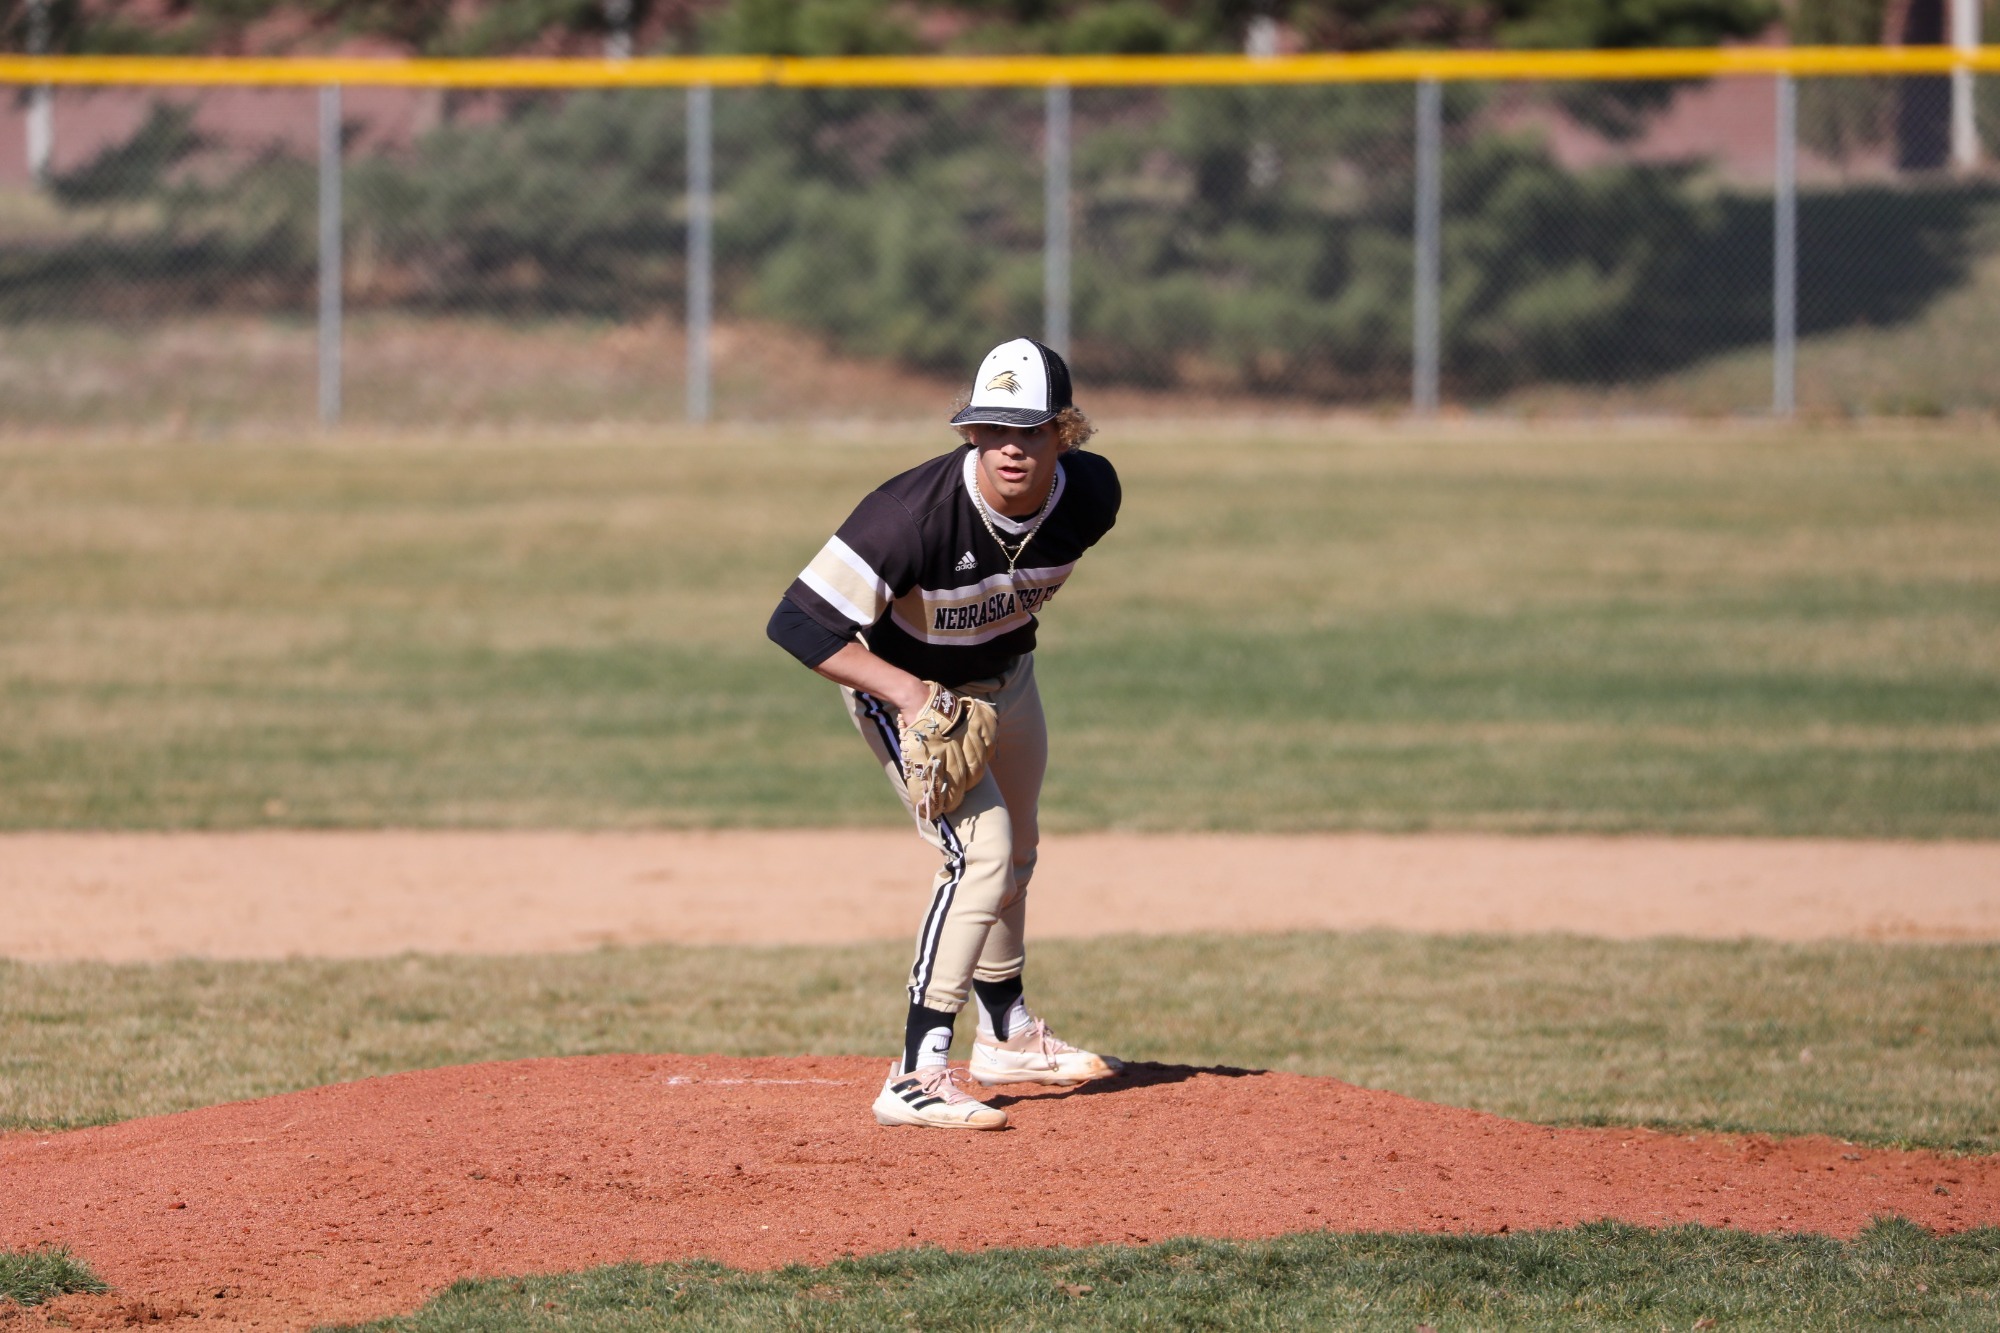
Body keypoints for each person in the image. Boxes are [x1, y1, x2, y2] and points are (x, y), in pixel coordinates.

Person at [765, 337, 1123, 1130]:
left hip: (1009, 686)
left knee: (1018, 851)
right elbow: (796, 621)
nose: (1009, 448)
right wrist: (905, 692)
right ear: (968, 432)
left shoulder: (1093, 496)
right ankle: (917, 1071)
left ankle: (1007, 1033)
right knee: (980, 852)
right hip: (912, 701)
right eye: (991, 428)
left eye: (1029, 430)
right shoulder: (910, 516)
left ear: (1064, 432)